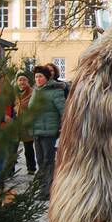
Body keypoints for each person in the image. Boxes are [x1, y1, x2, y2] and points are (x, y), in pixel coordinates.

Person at [31, 65, 65, 200]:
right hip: (36, 131)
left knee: (48, 161)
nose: (38, 79)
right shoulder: (36, 91)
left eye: (40, 76)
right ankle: (43, 187)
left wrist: (62, 127)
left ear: (46, 77)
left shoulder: (55, 91)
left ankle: (48, 190)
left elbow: (64, 111)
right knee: (40, 161)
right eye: (36, 77)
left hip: (49, 132)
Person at [14, 71, 37, 176]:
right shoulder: (13, 93)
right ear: (16, 81)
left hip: (27, 124)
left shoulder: (32, 93)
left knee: (28, 148)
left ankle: (31, 168)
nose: (22, 82)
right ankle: (10, 170)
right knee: (12, 148)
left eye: (24, 80)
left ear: (28, 82)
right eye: (20, 80)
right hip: (14, 124)